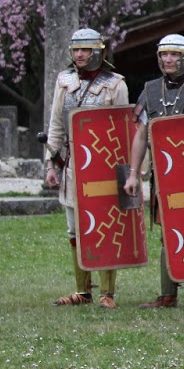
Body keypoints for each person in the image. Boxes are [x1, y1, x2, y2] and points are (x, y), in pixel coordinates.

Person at [124, 34, 184, 309]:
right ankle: (168, 294)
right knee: (168, 232)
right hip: (164, 177)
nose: (168, 60)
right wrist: (133, 173)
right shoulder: (150, 90)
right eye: (164, 54)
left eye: (174, 54)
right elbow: (141, 135)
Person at [45, 27, 130, 307]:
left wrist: (126, 173)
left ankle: (108, 293)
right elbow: (57, 124)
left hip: (104, 169)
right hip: (72, 166)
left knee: (104, 227)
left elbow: (123, 132)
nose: (79, 55)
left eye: (85, 50)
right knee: (75, 229)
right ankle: (83, 291)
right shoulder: (64, 81)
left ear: (98, 52)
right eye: (76, 50)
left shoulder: (115, 84)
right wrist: (50, 165)